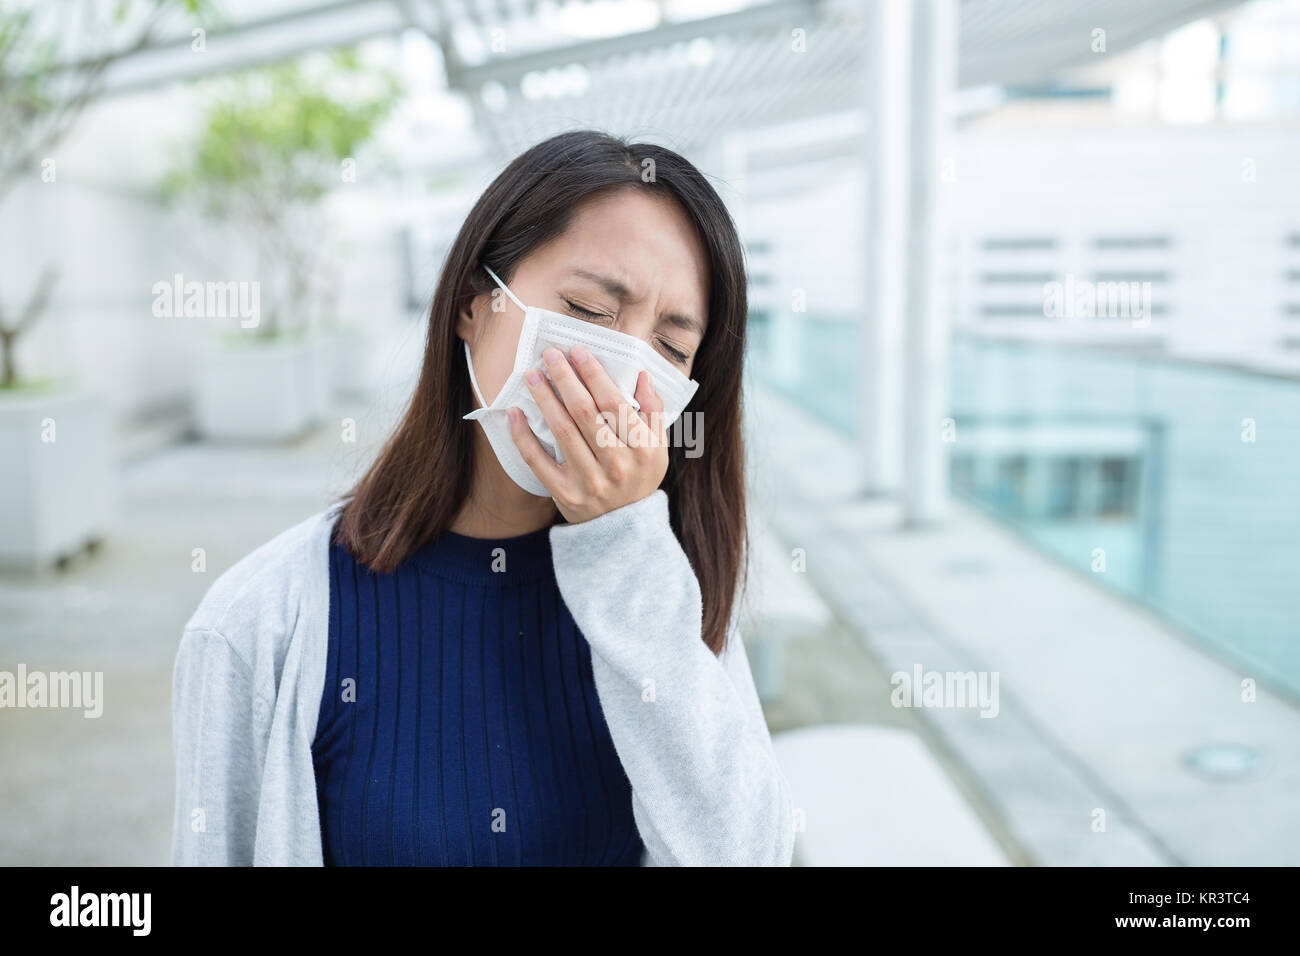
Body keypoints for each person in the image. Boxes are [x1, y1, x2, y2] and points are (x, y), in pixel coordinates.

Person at [170, 129, 795, 866]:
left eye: (670, 347)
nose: (625, 379)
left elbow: (744, 852)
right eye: (591, 310)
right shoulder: (262, 622)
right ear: (474, 302)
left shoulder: (667, 596)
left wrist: (624, 545)